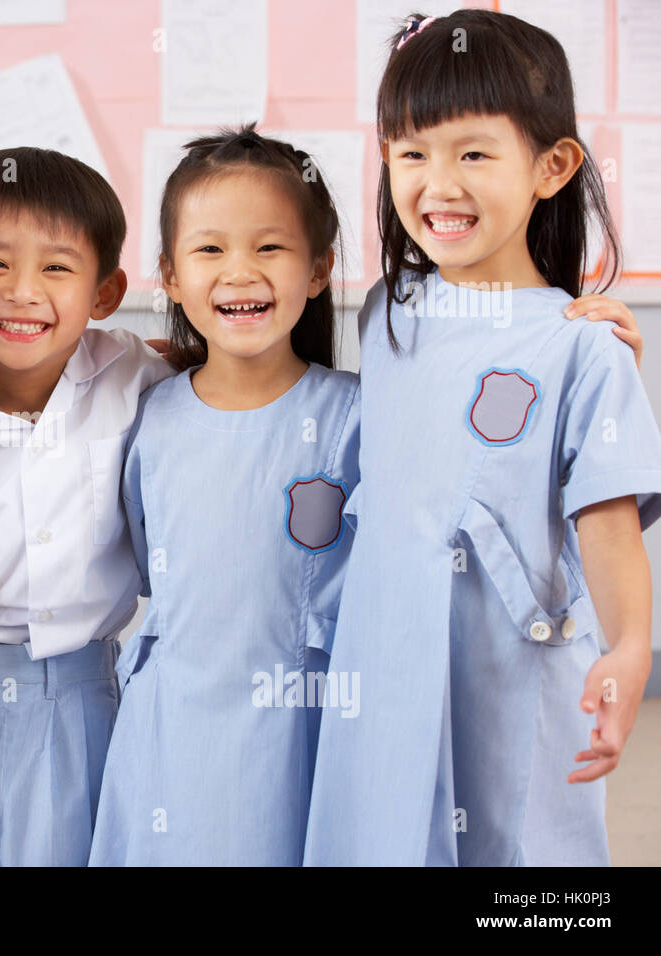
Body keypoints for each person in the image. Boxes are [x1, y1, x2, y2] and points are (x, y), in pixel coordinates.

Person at [304, 9, 661, 866]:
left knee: (525, 860)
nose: (438, 183)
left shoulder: (581, 343)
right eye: (411, 153)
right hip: (387, 657)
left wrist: (629, 646)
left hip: (513, 670)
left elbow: (605, 519)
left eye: (473, 153)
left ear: (552, 166)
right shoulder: (389, 313)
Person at [89, 127, 359, 865]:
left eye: (269, 247)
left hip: (299, 726)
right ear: (170, 276)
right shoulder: (149, 414)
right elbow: (148, 562)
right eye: (210, 250)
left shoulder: (357, 416)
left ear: (318, 269)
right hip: (172, 726)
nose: (240, 272)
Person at [0, 147, 173, 865]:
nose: (23, 291)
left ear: (106, 293)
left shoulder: (134, 377)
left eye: (57, 268)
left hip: (76, 697)